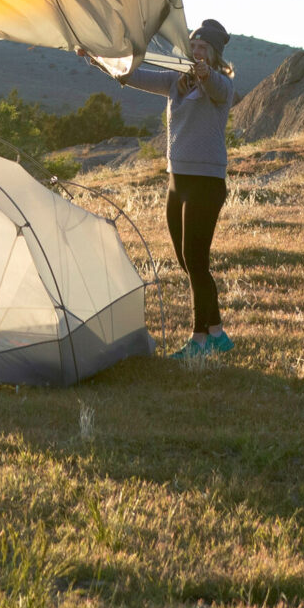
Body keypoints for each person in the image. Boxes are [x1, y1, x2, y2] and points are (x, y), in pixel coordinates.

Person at [80, 19, 235, 359]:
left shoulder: (221, 84)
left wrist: (206, 73)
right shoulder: (174, 82)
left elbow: (217, 89)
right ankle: (218, 333)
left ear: (213, 54)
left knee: (196, 260)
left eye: (203, 48)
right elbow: (129, 76)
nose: (196, 51)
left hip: (206, 183)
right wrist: (96, 57)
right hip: (177, 181)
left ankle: (199, 341)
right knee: (186, 260)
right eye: (193, 45)